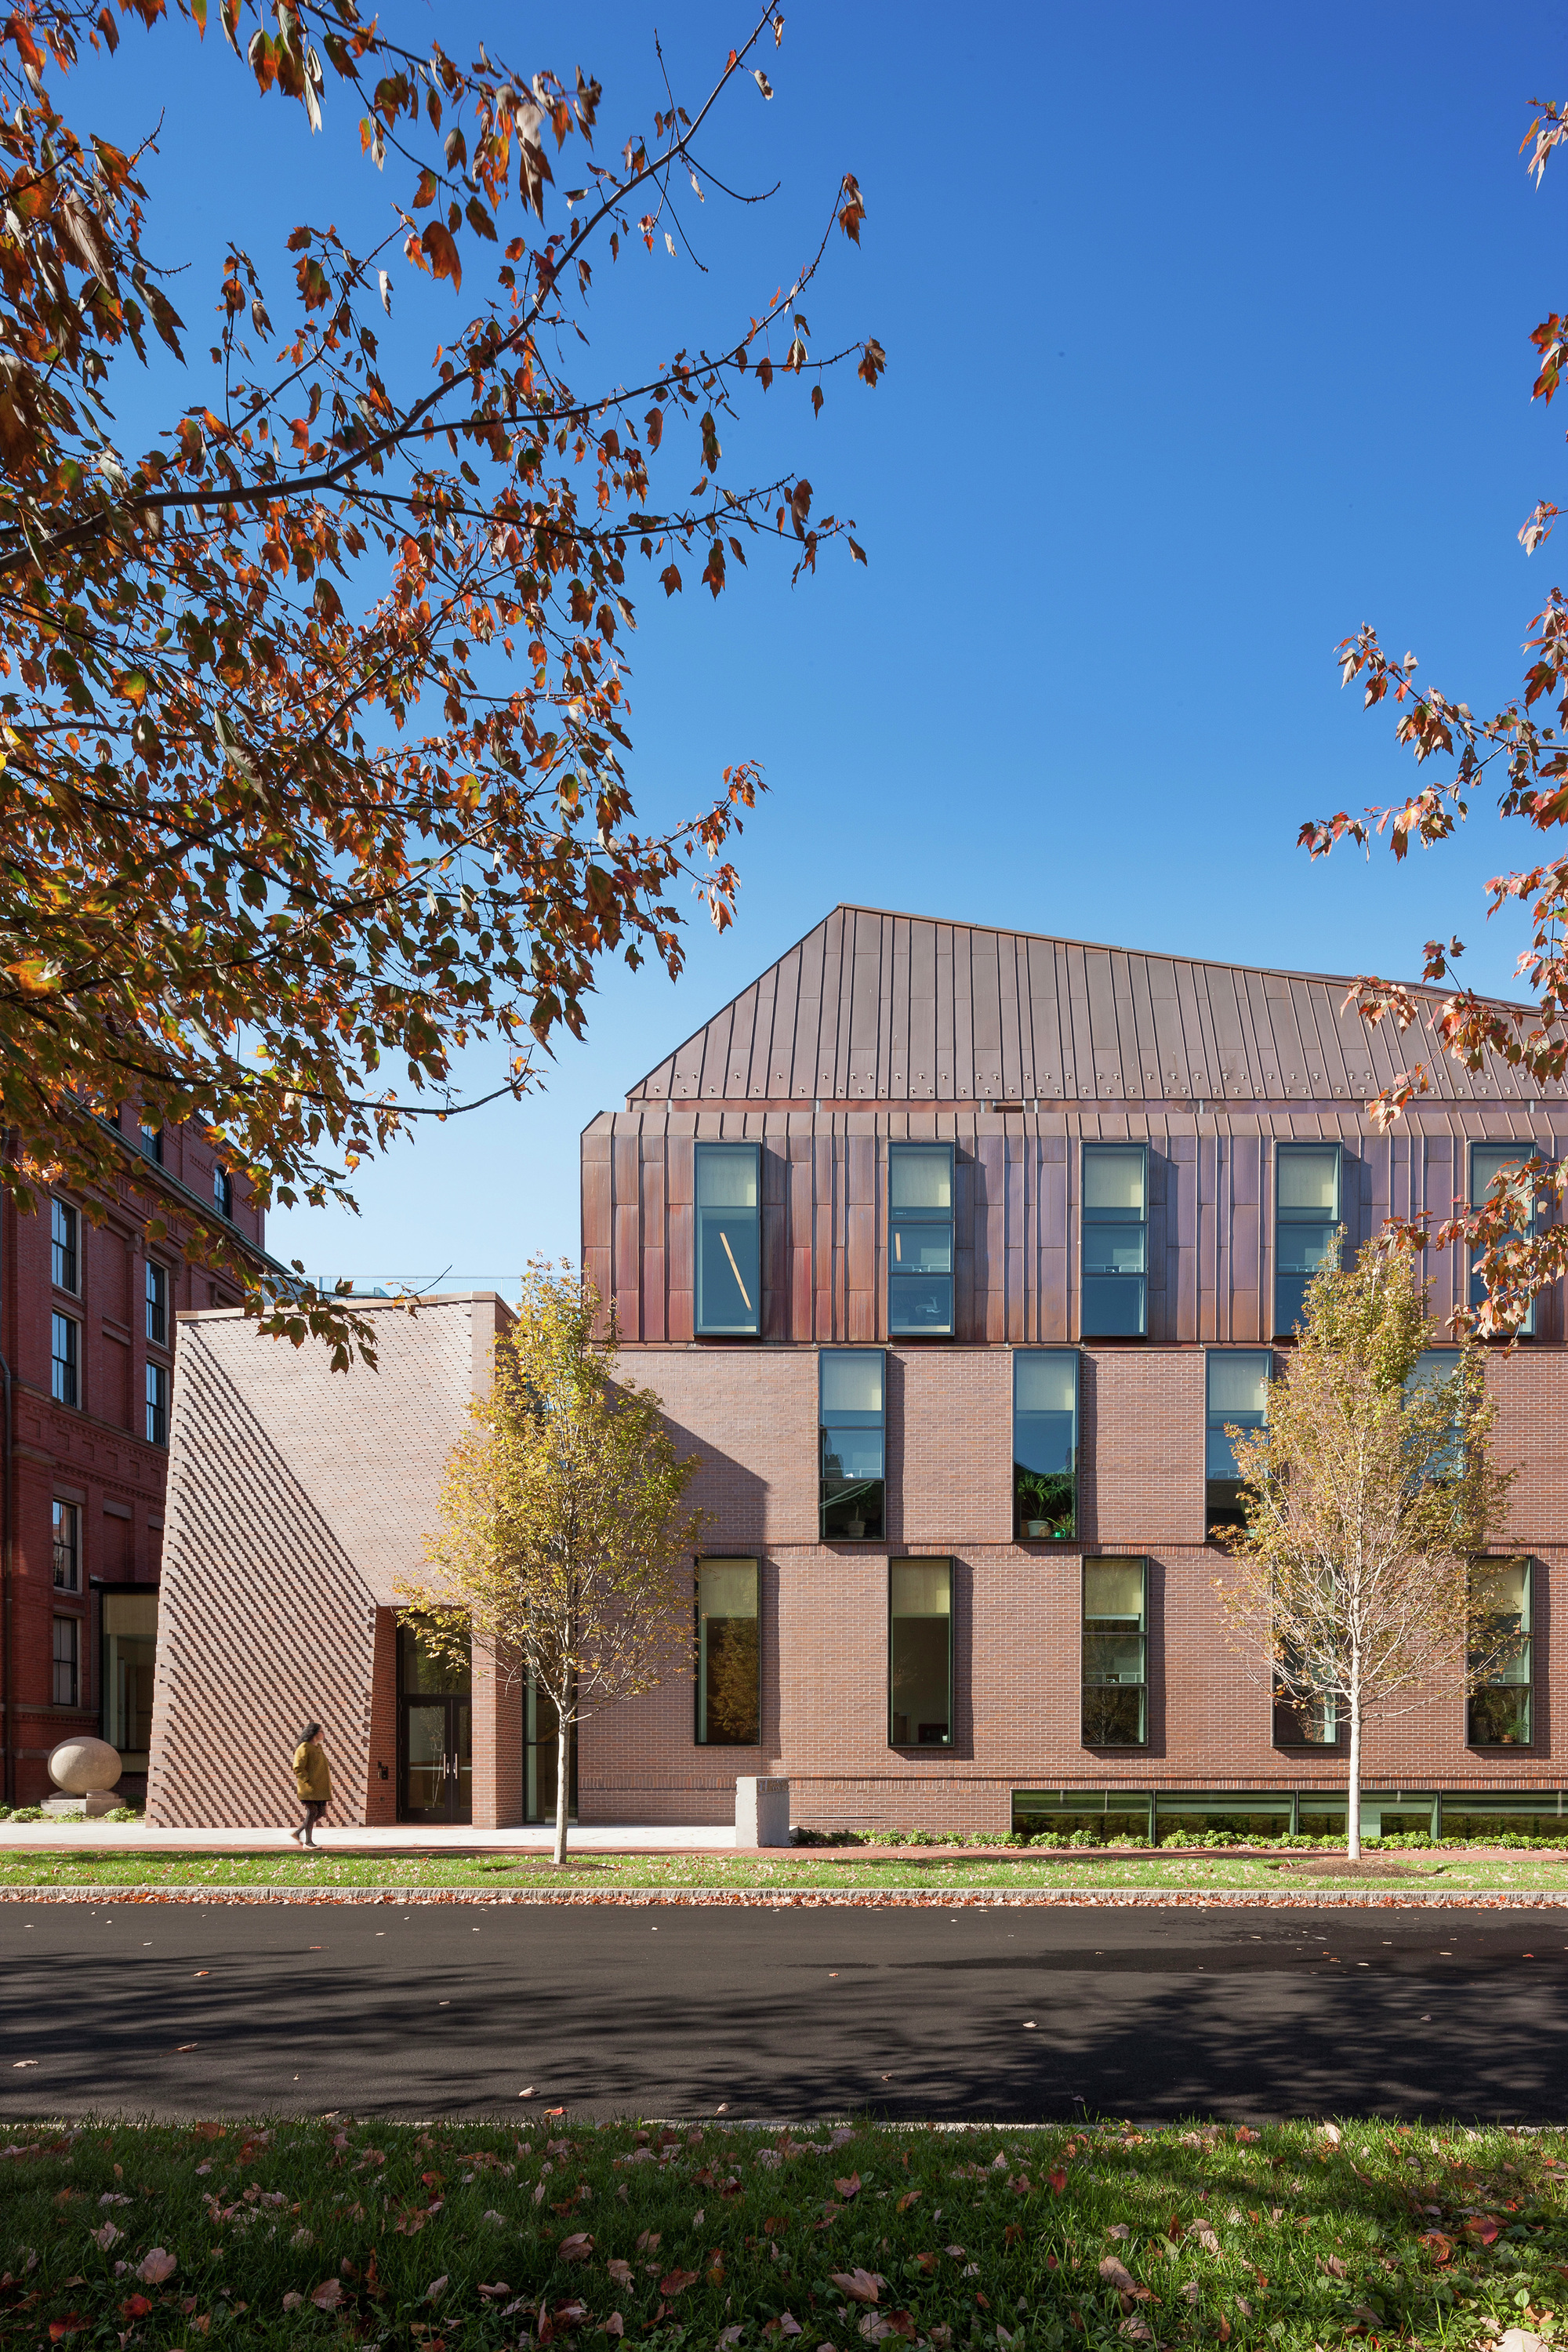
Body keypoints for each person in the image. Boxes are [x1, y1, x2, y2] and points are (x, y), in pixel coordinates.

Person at [291, 1722, 331, 1846]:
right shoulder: (304, 1747)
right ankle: (308, 1842)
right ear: (314, 1733)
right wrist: (307, 1780)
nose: (323, 1734)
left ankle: (298, 1832)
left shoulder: (318, 1748)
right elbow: (298, 1766)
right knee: (312, 1811)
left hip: (320, 1789)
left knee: (321, 1812)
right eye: (321, 1731)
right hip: (309, 1788)